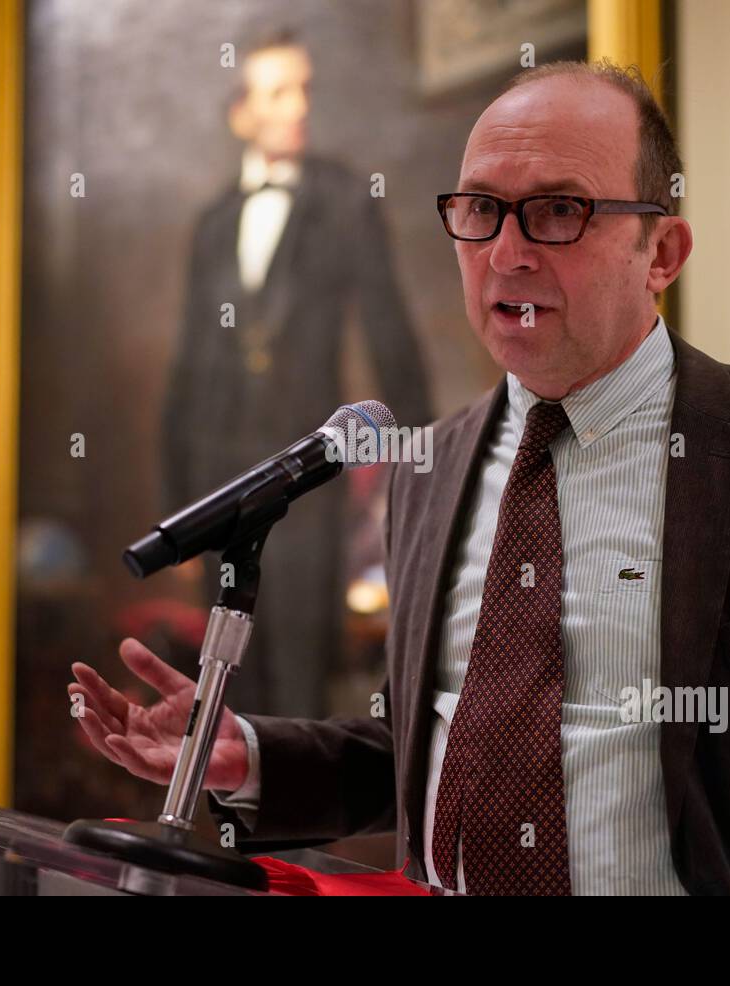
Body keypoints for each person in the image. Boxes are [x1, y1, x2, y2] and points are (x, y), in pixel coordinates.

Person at [76, 60, 730, 895]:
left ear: (663, 252)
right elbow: (437, 747)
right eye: (480, 209)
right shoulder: (429, 468)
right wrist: (248, 758)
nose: (507, 250)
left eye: (560, 210)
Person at [159, 28, 432, 718]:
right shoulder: (214, 222)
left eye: (304, 89)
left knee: (299, 682)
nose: (297, 107)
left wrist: (421, 472)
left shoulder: (345, 201)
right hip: (220, 484)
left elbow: (391, 340)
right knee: (226, 683)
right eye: (279, 92)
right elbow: (189, 367)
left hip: (308, 481)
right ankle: (224, 826)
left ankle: (294, 828)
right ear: (241, 114)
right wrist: (180, 506)